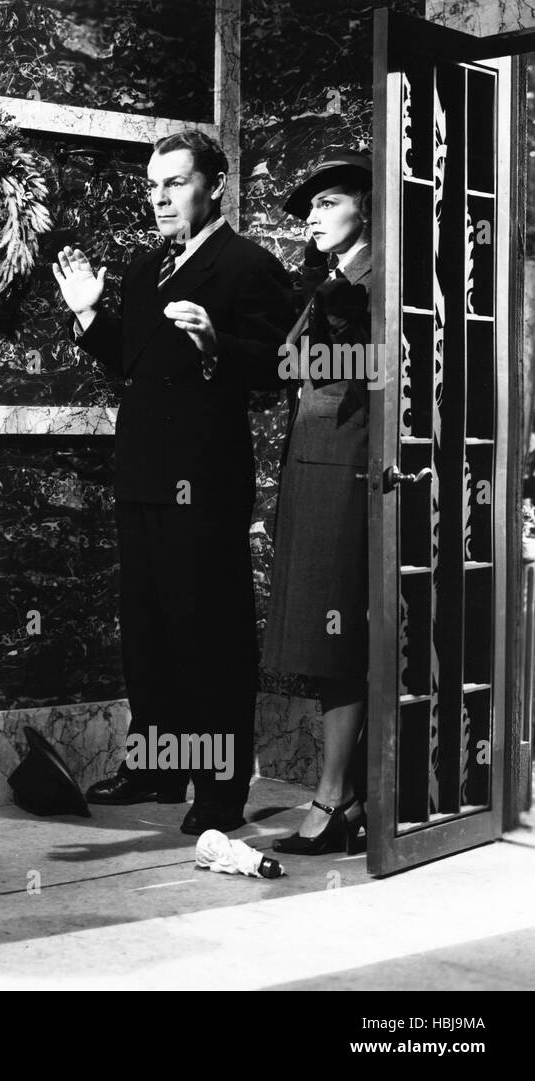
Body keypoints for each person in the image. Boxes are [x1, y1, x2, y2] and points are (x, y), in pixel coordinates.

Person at [53, 131, 293, 834]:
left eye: (175, 183)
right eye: (153, 186)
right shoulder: (142, 265)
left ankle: (219, 794)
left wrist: (221, 345)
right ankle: (156, 767)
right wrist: (90, 315)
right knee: (149, 632)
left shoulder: (249, 266)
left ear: (214, 184)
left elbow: (282, 364)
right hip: (142, 476)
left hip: (207, 480)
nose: (159, 199)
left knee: (210, 635)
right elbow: (136, 363)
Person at [263, 152, 374, 855]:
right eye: (311, 206)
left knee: (337, 642)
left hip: (347, 470)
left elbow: (377, 365)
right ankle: (343, 792)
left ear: (367, 205)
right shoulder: (332, 280)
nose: (312, 215)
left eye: (328, 202)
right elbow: (290, 366)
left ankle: (335, 796)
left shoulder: (373, 279)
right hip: (316, 467)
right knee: (319, 638)